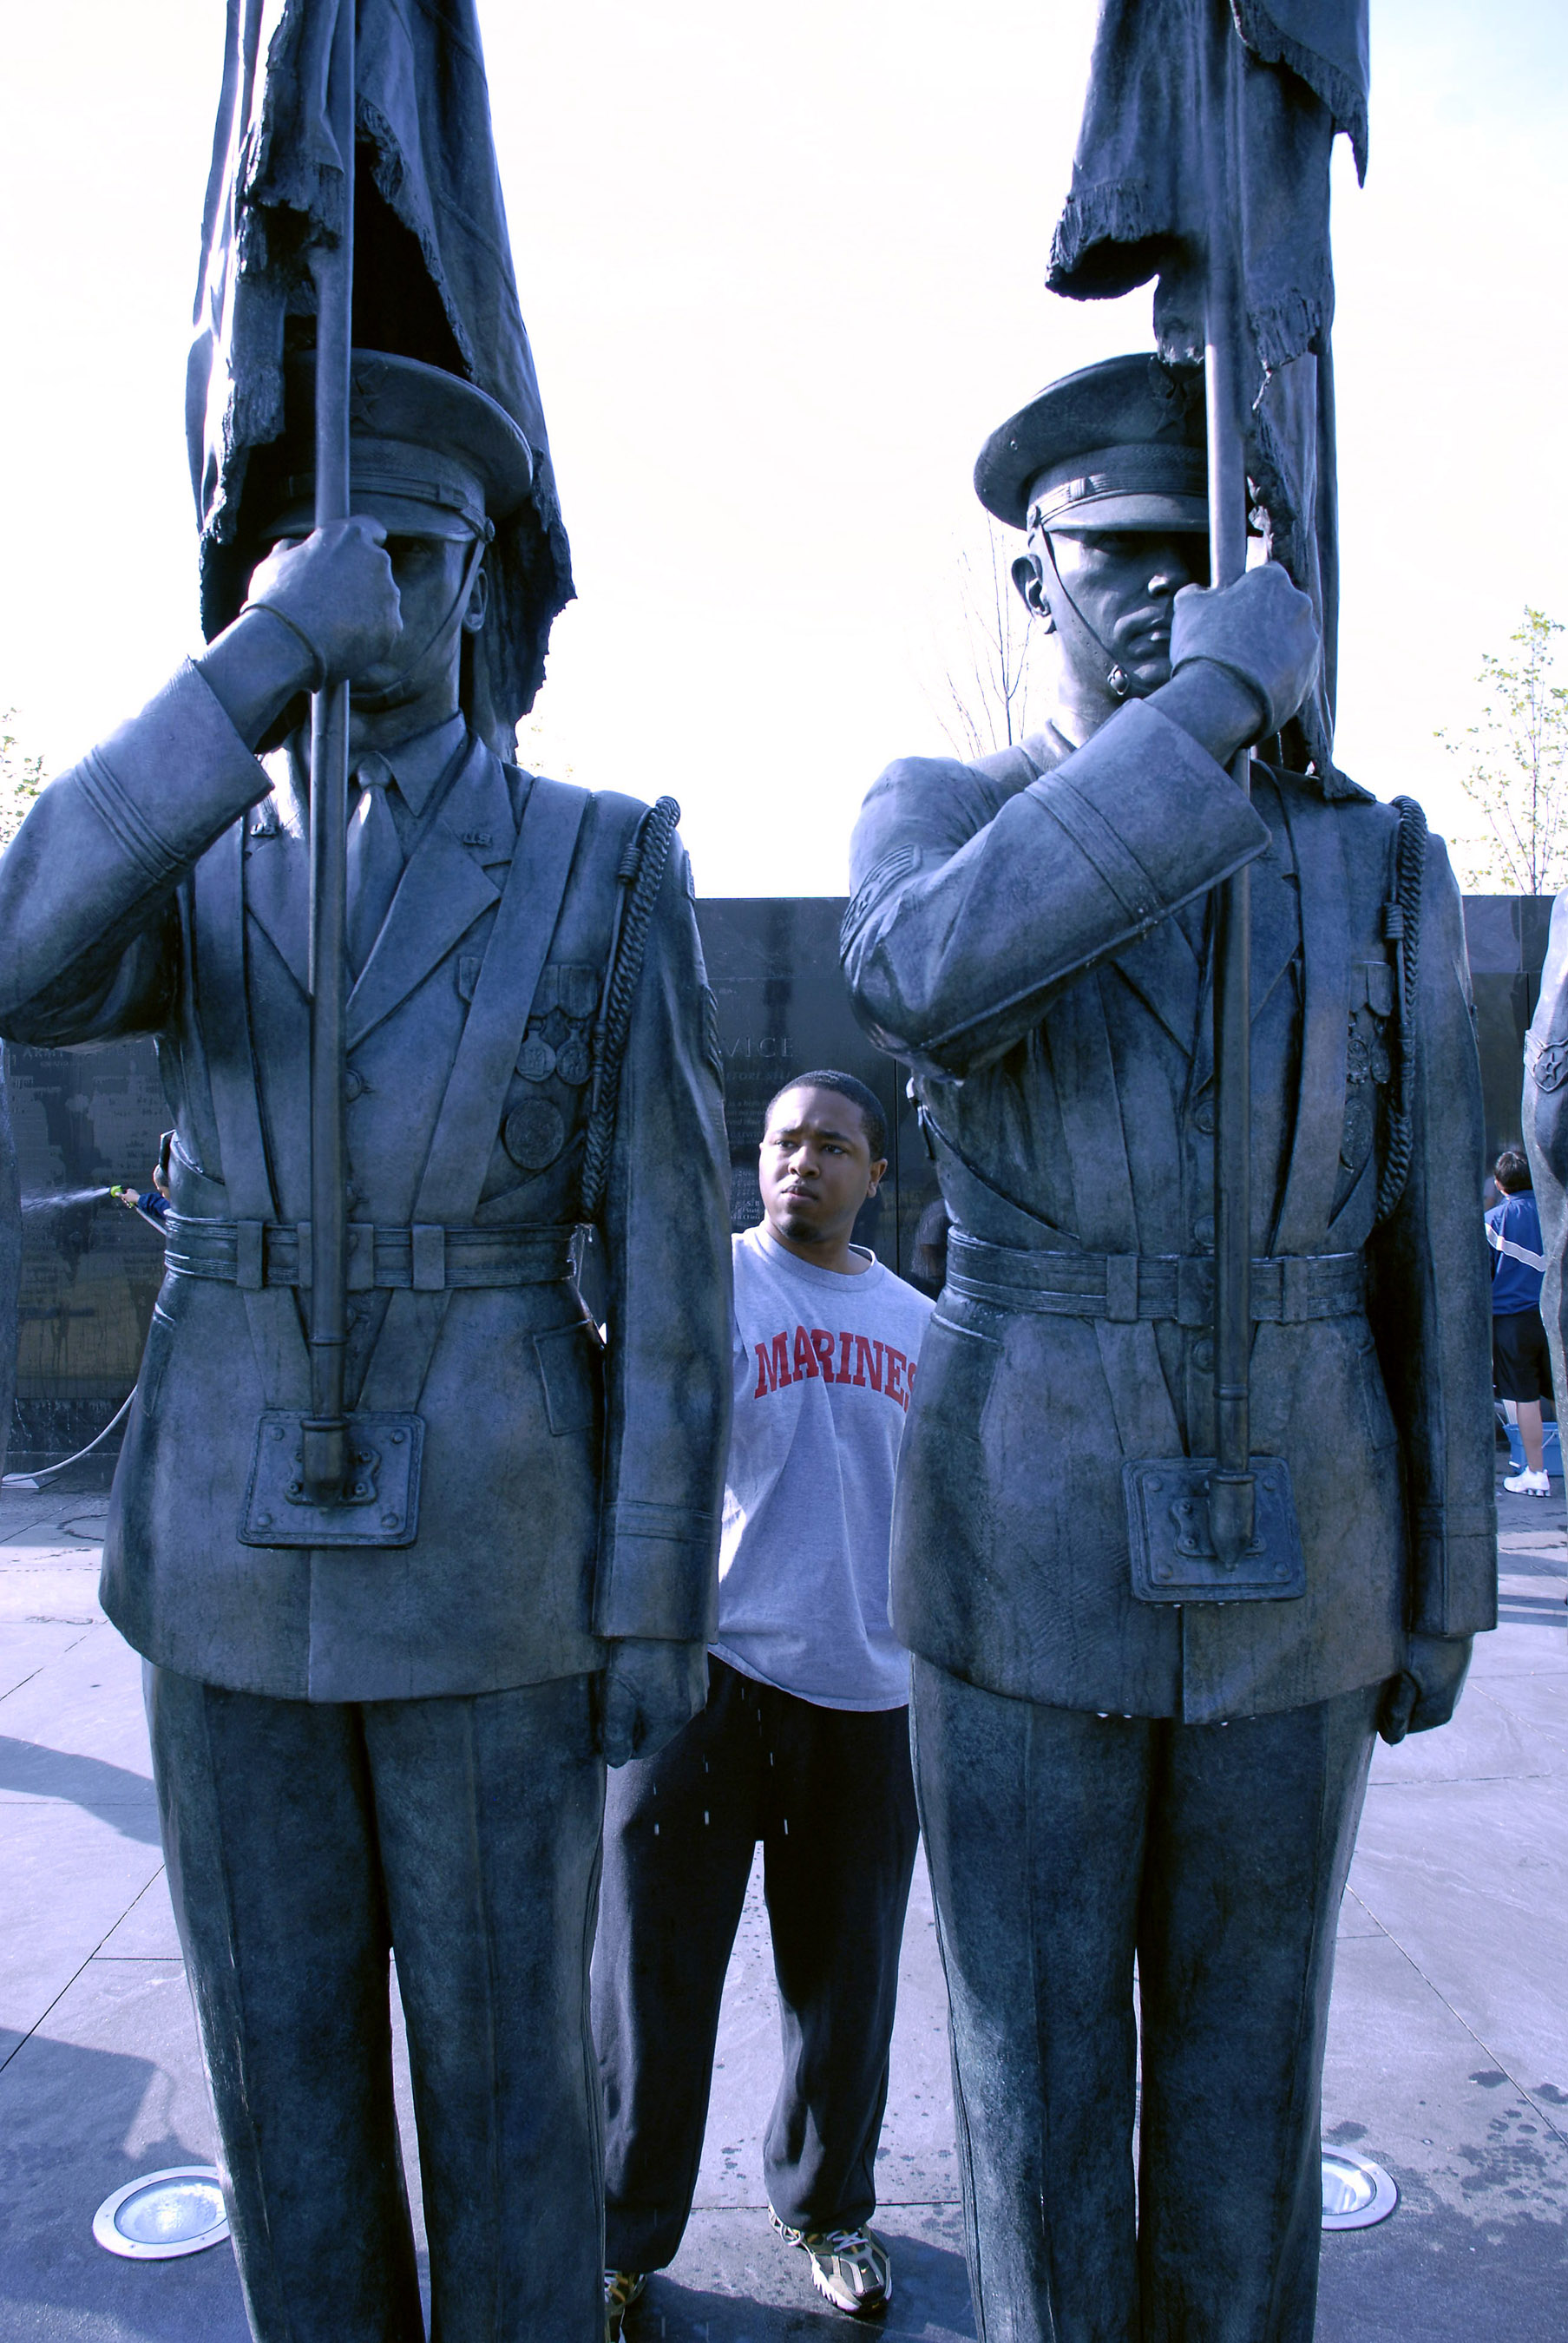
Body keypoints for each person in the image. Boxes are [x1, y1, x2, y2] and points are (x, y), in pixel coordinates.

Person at [0, 351, 731, 2343]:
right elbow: (19, 958)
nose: (367, 591)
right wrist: (248, 675)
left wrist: (658, 1590)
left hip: (497, 1556)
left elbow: (678, 1267)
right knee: (284, 2107)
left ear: (479, 574)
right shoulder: (192, 851)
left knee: (512, 2095)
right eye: (313, 558)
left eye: (406, 548)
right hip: (223, 1568)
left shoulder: (601, 858)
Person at [838, 353, 1496, 2340]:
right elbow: (927, 976)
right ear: (1031, 579)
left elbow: (1428, 1239)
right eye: (1122, 553)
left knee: (1248, 2084)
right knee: (1034, 2080)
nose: (1167, 590)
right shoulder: (943, 810)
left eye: (1209, 557)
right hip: (1026, 1538)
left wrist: (1448, 1576)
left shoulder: (1370, 858)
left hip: (1307, 1549)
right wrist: (1209, 712)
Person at [595, 1070, 933, 2331]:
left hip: (865, 1694)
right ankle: (619, 2236)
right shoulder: (703, 1287)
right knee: (648, 1981)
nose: (802, 1162)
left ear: (875, 1176)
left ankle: (828, 2207)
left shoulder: (922, 1326)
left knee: (845, 1986)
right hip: (703, 1683)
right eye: (784, 1142)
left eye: (832, 1146)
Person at [1487, 1147, 1553, 1494]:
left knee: (1525, 1398)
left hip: (1512, 1322)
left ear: (1499, 1184)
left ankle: (1536, 1473)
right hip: (1556, 1317)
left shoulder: (1493, 1221)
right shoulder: (1554, 1213)